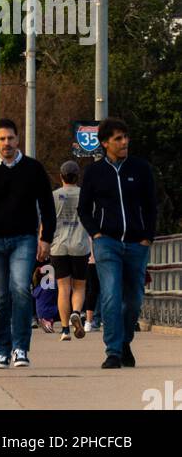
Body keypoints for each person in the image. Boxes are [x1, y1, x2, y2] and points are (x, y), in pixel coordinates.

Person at [0, 118, 56, 369]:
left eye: (11, 138)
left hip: (24, 239)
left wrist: (46, 238)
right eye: (2, 138)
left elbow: (47, 206)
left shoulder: (33, 169)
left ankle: (20, 348)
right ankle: (2, 351)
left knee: (20, 290)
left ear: (18, 140)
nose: (7, 143)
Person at [77, 118, 157, 369]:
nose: (124, 142)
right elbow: (84, 209)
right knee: (110, 295)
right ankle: (112, 351)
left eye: (126, 137)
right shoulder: (94, 172)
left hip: (136, 244)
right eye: (118, 139)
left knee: (133, 300)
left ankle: (124, 343)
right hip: (107, 243)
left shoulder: (140, 168)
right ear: (104, 143)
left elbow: (152, 206)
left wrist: (147, 238)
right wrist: (96, 234)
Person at [48, 160, 90, 342]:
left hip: (58, 246)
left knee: (63, 288)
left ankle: (65, 329)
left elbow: (46, 223)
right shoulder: (85, 195)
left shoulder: (54, 196)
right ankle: (76, 312)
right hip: (79, 245)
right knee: (79, 286)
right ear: (77, 176)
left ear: (61, 176)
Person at [31, 264, 58, 333]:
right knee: (64, 304)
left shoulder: (37, 288)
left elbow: (34, 295)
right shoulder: (53, 284)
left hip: (39, 313)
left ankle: (46, 321)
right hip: (51, 311)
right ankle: (48, 322)